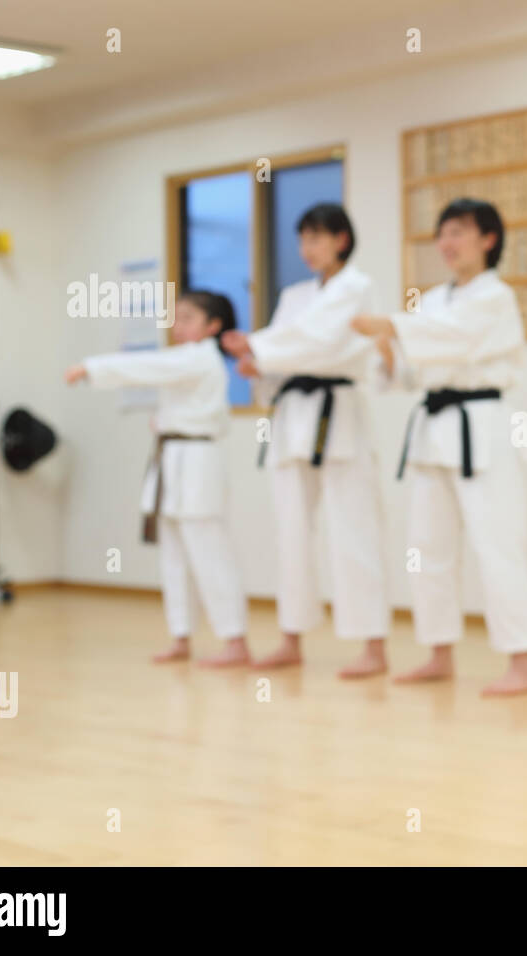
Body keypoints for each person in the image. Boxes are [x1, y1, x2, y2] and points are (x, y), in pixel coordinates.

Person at [350, 198, 527, 696]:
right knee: (427, 546)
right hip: (434, 431)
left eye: (459, 231)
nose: (448, 242)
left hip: (480, 427)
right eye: (443, 233)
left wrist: (392, 326)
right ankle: (438, 652)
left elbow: (453, 338)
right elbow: (413, 371)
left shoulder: (494, 296)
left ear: (487, 240)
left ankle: (522, 663)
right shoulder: (432, 300)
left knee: (498, 545)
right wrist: (389, 351)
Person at [221, 203, 392, 677]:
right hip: (293, 416)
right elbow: (286, 344)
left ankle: (373, 647)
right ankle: (290, 637)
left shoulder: (357, 286)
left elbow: (321, 340)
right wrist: (261, 364)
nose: (308, 249)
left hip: (339, 415)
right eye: (303, 240)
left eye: (317, 238)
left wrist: (260, 347)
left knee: (355, 530)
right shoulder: (294, 294)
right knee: (290, 530)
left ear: (341, 239)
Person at [65, 291, 251, 667]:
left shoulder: (200, 359)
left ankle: (235, 640)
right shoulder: (187, 360)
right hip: (171, 459)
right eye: (176, 317)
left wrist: (92, 367)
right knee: (174, 555)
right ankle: (180, 635)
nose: (178, 325)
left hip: (197, 462)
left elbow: (148, 367)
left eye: (188, 318)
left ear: (213, 326)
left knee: (209, 552)